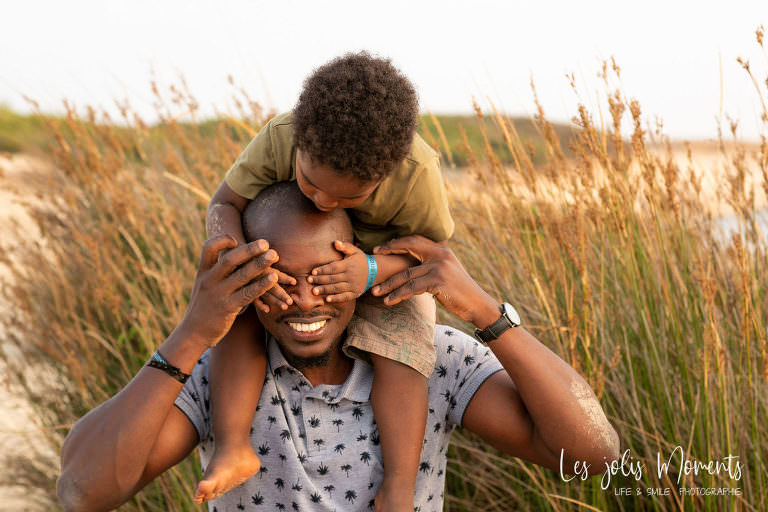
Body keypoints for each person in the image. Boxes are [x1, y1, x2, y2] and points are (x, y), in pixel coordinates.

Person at [57, 182, 620, 512]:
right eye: (280, 281)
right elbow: (82, 492)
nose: (305, 301)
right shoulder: (218, 375)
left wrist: (485, 313)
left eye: (326, 278)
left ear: (363, 269)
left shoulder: (431, 359)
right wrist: (194, 332)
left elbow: (594, 455)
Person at [202, 51, 453, 508]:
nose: (322, 202)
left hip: (383, 274)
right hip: (288, 266)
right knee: (236, 317)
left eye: (348, 197)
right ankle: (232, 446)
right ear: (299, 145)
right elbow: (223, 205)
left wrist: (371, 270)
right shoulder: (281, 136)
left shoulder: (417, 175)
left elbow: (432, 256)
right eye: (310, 183)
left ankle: (399, 487)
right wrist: (246, 266)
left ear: (385, 174)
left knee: (404, 346)